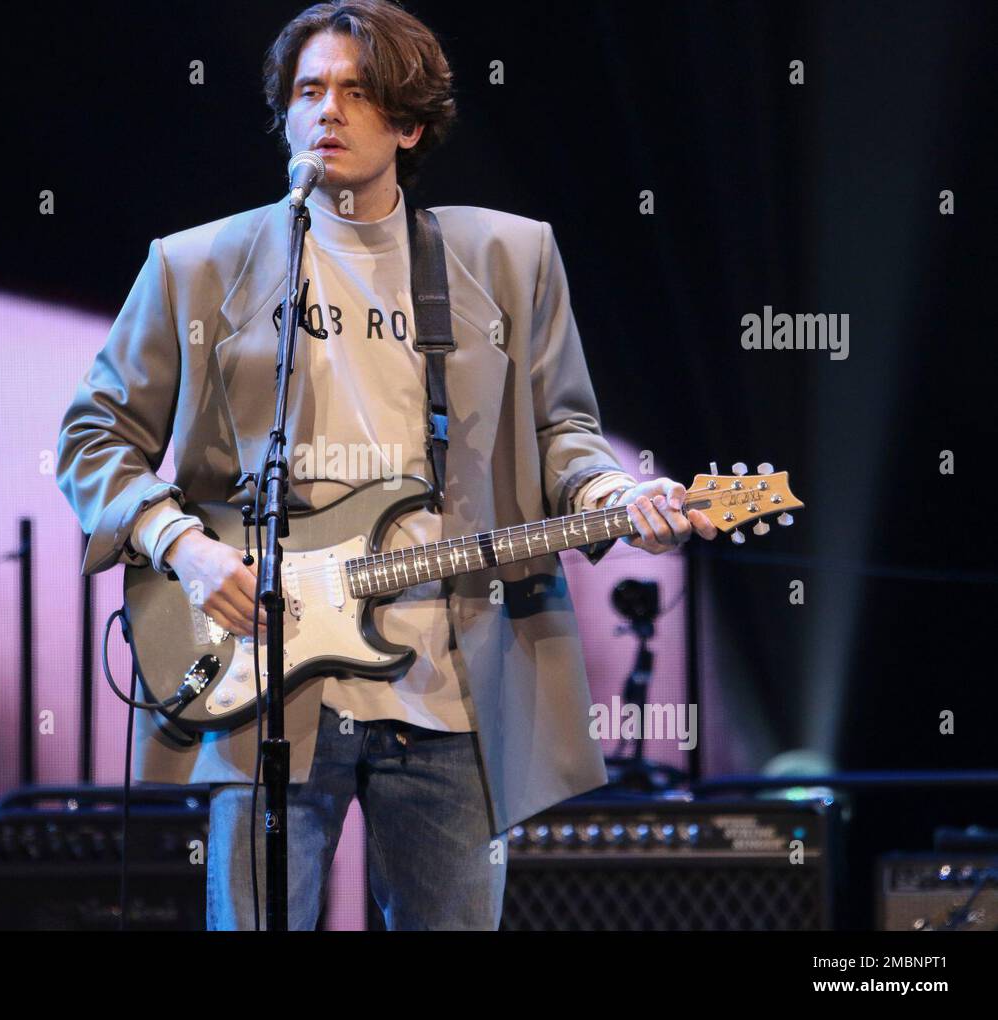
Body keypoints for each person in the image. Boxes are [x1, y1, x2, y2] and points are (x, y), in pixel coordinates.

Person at [56, 0, 716, 931]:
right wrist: (184, 546)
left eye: (357, 94)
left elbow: (563, 431)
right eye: (308, 91)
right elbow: (94, 438)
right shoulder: (199, 266)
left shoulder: (509, 258)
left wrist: (610, 490)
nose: (326, 111)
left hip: (453, 692)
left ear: (409, 123)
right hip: (268, 689)